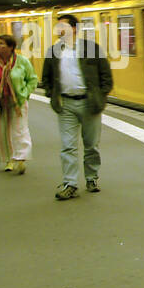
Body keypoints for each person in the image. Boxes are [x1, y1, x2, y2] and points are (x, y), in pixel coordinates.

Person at [42, 13, 112, 200]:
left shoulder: (92, 49)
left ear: (74, 29)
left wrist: (100, 95)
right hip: (66, 105)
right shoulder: (53, 52)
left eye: (62, 26)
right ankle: (70, 183)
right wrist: (52, 94)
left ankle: (91, 177)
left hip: (90, 104)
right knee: (68, 146)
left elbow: (106, 76)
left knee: (91, 146)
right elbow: (46, 78)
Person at [0, 34, 37, 174]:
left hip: (17, 101)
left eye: (2, 44)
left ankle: (21, 158)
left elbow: (32, 80)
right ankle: (9, 159)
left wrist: (23, 93)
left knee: (19, 129)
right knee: (2, 131)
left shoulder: (22, 61)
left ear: (11, 47)